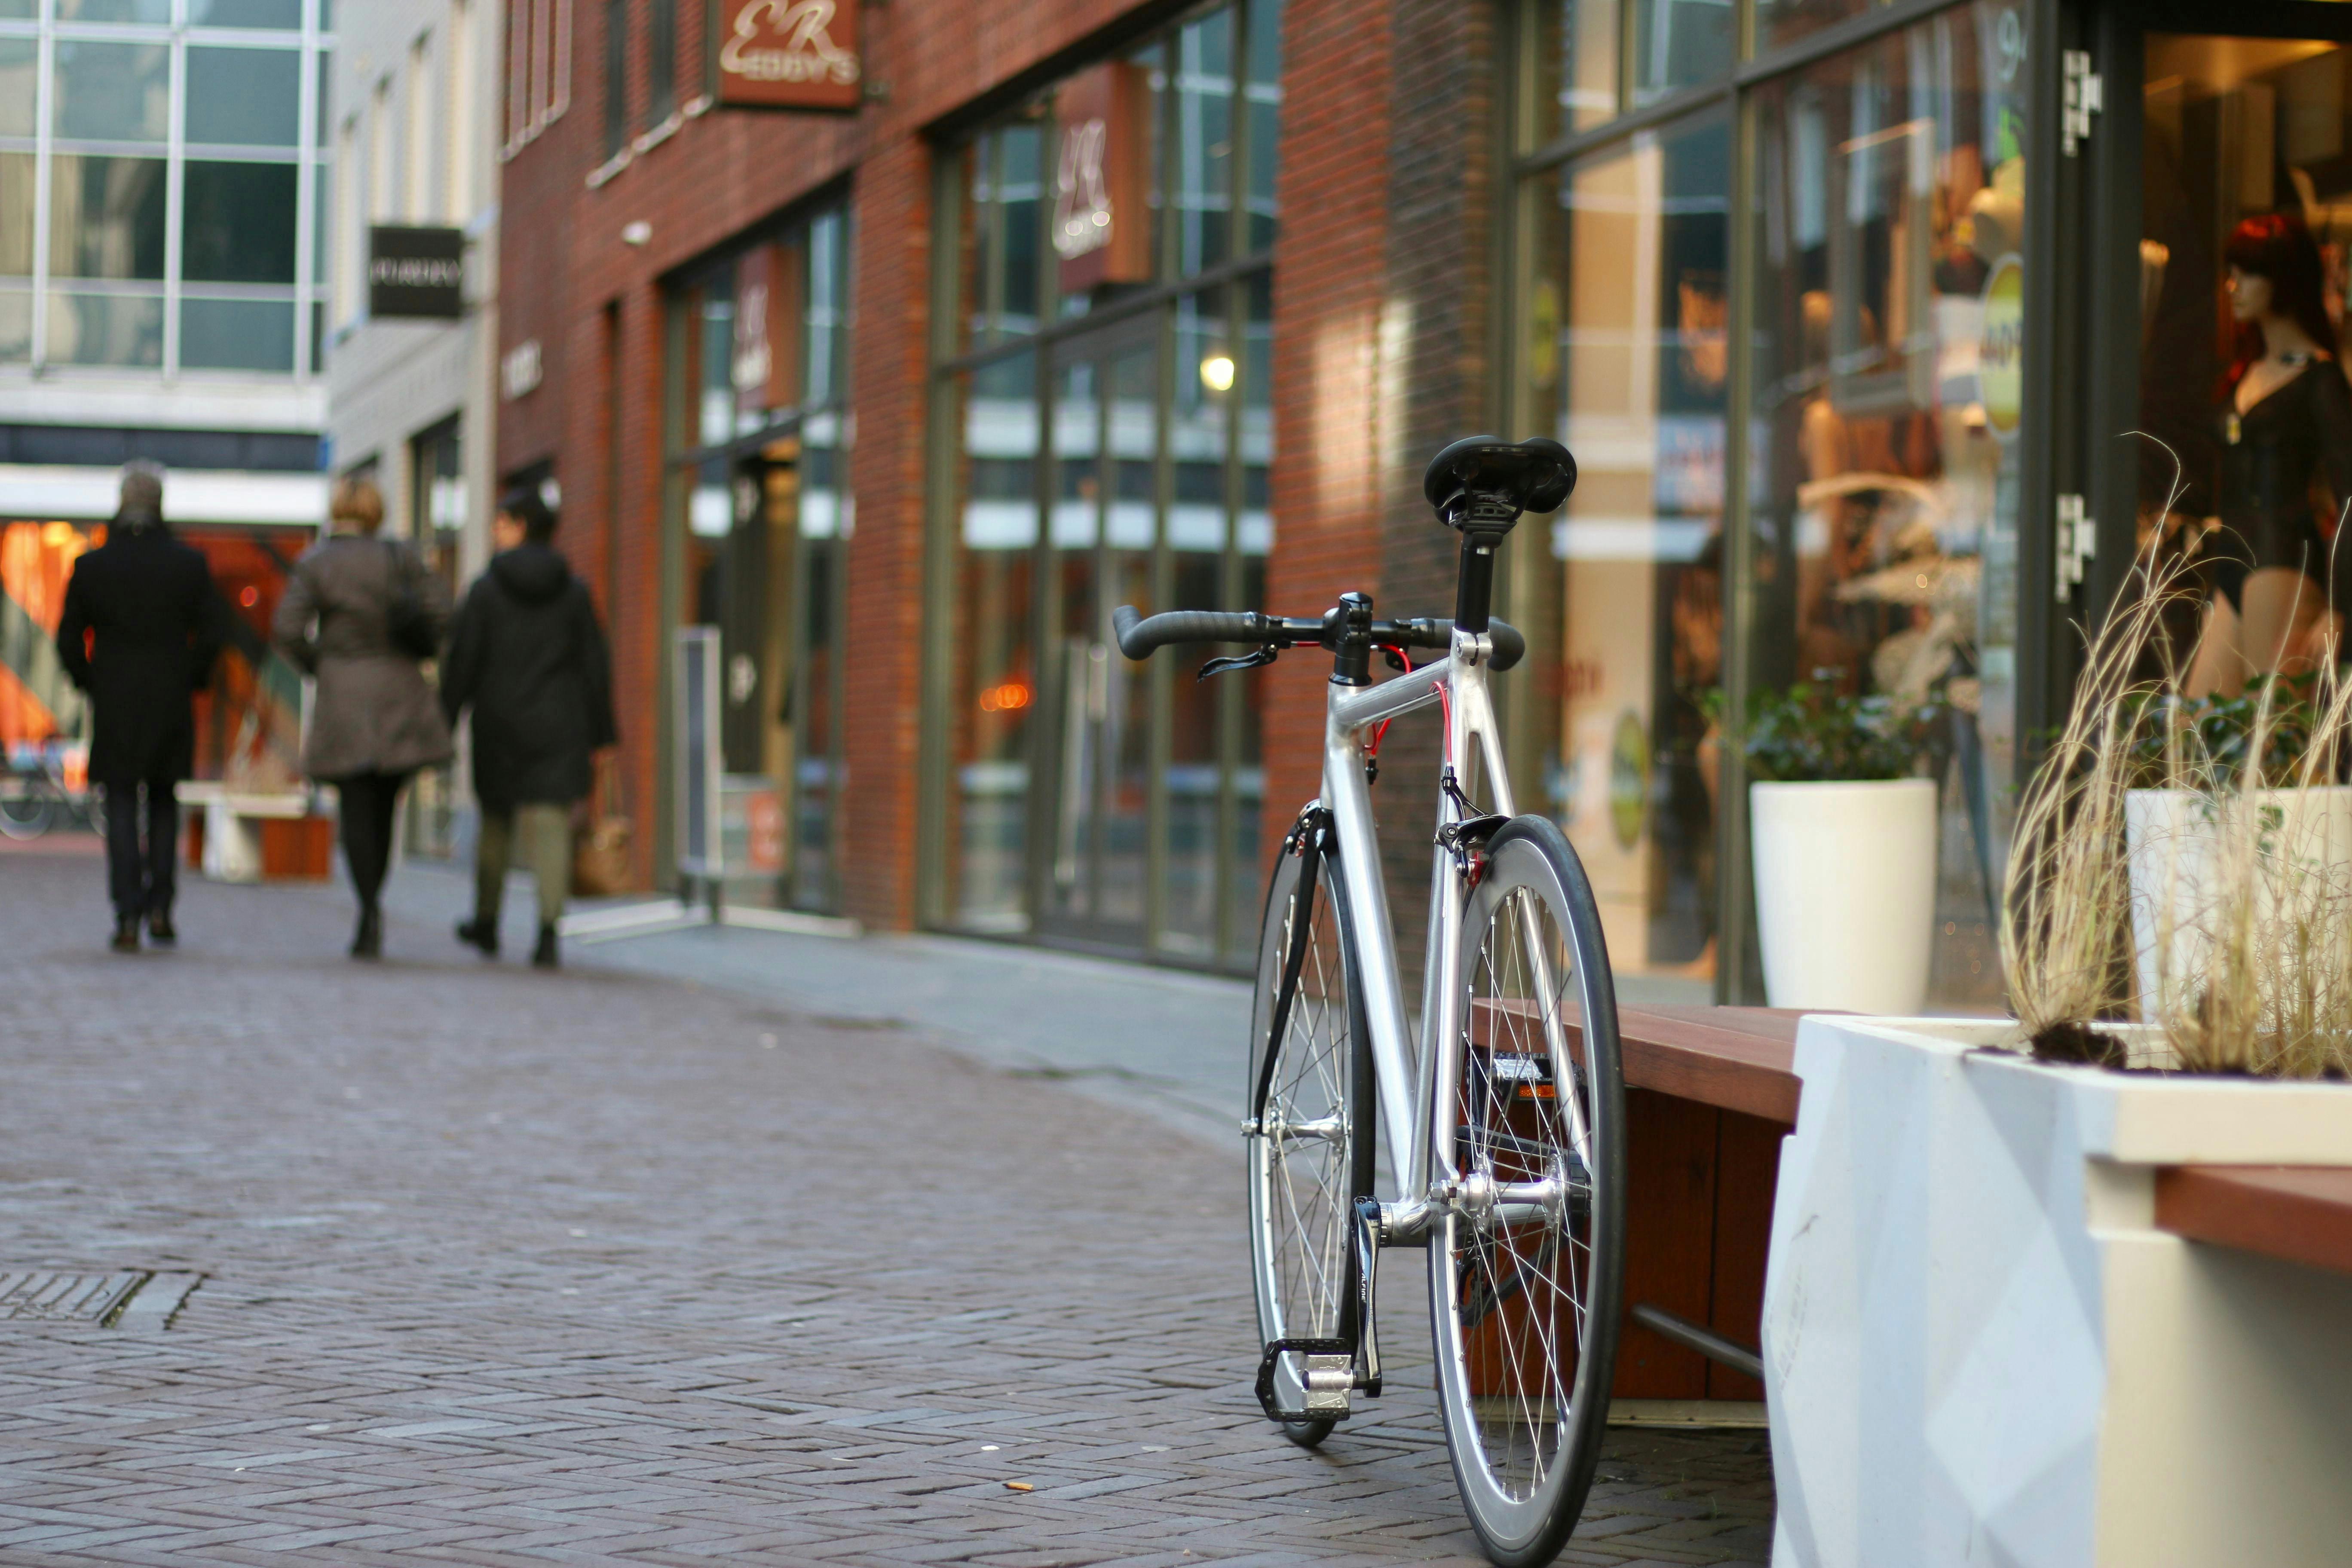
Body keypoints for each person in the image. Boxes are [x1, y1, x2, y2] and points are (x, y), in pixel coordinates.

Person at [273, 477, 455, 958]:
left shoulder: (318, 563)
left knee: (355, 807)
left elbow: (286, 628)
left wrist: (321, 664)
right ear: (377, 512)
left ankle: (368, 907)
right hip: (399, 694)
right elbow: (442, 613)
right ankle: (374, 902)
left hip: (344, 697)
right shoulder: (402, 558)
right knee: (383, 805)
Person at [441, 488, 617, 969]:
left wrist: (445, 719)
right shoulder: (575, 592)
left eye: (501, 522)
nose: (495, 530)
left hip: (498, 722)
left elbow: (463, 662)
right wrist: (603, 735)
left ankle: (487, 922)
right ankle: (547, 932)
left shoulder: (485, 591)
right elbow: (594, 665)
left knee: (495, 824)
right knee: (552, 827)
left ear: (521, 526)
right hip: (560, 725)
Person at [55, 462, 223, 952]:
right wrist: (192, 677)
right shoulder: (189, 565)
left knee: (123, 803)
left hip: (115, 701)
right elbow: (213, 633)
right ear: (159, 504)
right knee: (165, 801)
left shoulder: (93, 566)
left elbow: (68, 639)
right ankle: (162, 907)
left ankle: (127, 912)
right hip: (170, 699)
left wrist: (90, 681)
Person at [2186, 211, 2352, 697]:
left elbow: (2350, 497)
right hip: (2231, 563)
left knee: (2273, 740)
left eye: (2248, 272)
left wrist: (2340, 610)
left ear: (2284, 279)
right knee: (2196, 730)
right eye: (2231, 271)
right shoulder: (2246, 372)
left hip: (2280, 559)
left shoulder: (2321, 381)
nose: (2233, 286)